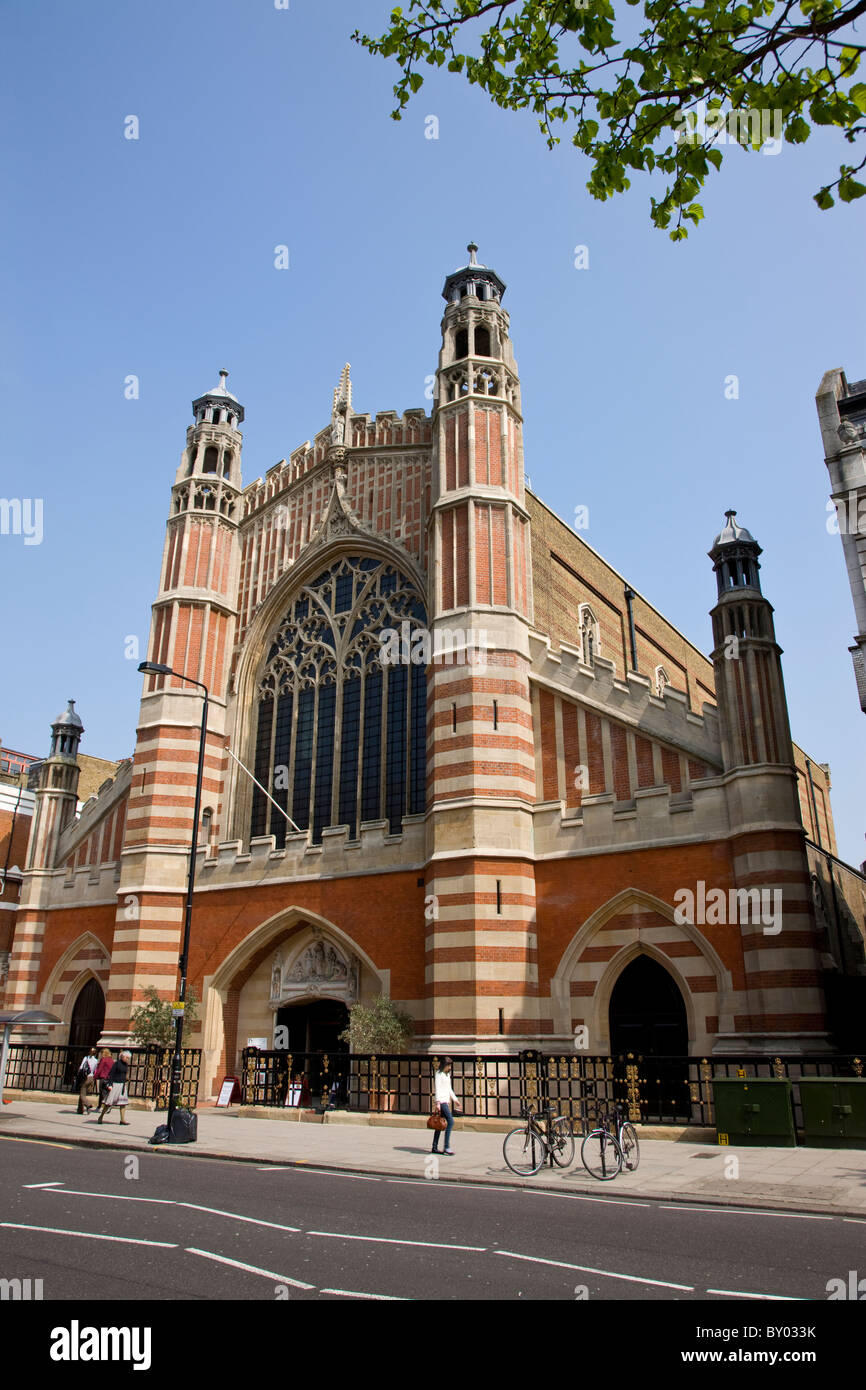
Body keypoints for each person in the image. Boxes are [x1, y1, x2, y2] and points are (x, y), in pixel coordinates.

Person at [431, 1057, 461, 1156]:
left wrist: (455, 1099)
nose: (449, 1067)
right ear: (444, 1065)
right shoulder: (439, 1075)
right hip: (442, 1102)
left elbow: (449, 1089)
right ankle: (446, 1147)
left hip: (446, 1101)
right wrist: (438, 1102)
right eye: (448, 1065)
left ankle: (434, 1147)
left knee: (440, 1124)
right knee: (450, 1121)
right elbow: (438, 1089)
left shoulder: (447, 1075)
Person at [97, 1050, 131, 1125]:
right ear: (122, 1056)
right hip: (115, 1084)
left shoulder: (126, 1065)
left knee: (123, 1103)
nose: (127, 1059)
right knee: (108, 1102)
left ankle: (122, 1119)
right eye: (126, 1057)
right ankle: (101, 1117)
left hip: (122, 1085)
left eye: (128, 1058)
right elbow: (111, 1074)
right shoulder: (116, 1064)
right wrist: (110, 1084)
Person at [75, 1048, 99, 1114]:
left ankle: (88, 1104)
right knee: (83, 1092)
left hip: (85, 1077)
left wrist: (78, 1074)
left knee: (82, 1094)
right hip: (91, 1077)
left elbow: (81, 1067)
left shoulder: (86, 1058)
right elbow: (95, 1070)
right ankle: (80, 1109)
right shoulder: (96, 1060)